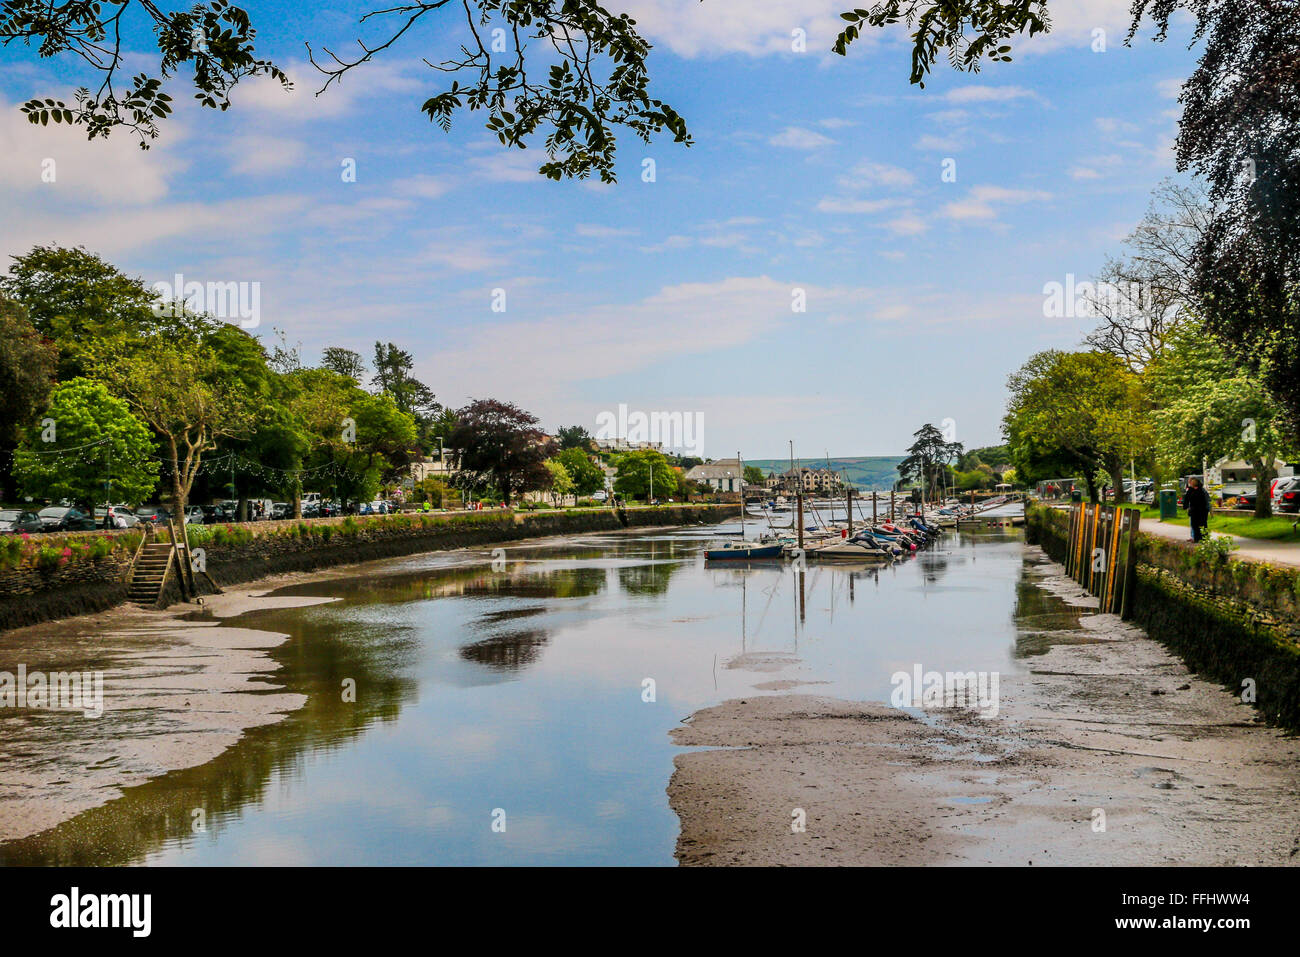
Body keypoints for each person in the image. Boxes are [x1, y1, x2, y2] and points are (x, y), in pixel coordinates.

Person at [1182, 477, 1211, 543]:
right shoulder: (1201, 490)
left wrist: (1185, 507)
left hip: (1196, 510)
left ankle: (1198, 538)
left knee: (1196, 524)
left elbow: (1186, 500)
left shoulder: (1191, 490)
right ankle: (1203, 538)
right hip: (1201, 510)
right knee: (1202, 524)